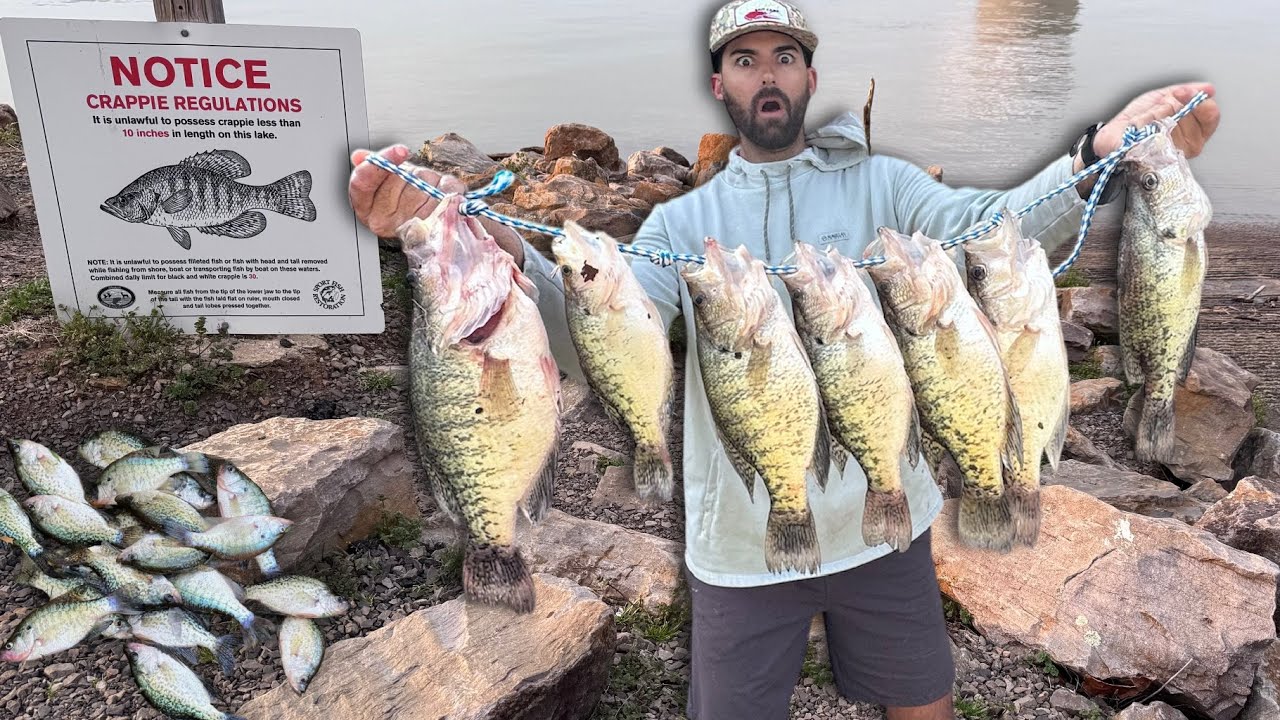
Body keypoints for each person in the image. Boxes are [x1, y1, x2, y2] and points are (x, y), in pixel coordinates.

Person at [347, 2, 1220, 717]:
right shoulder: (679, 229)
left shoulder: (887, 187)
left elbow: (997, 223)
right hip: (741, 540)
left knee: (924, 705)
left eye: (784, 55)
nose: (767, 74)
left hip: (889, 523)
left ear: (808, 75)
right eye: (746, 58)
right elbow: (599, 330)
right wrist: (469, 240)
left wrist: (1104, 152)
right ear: (720, 83)